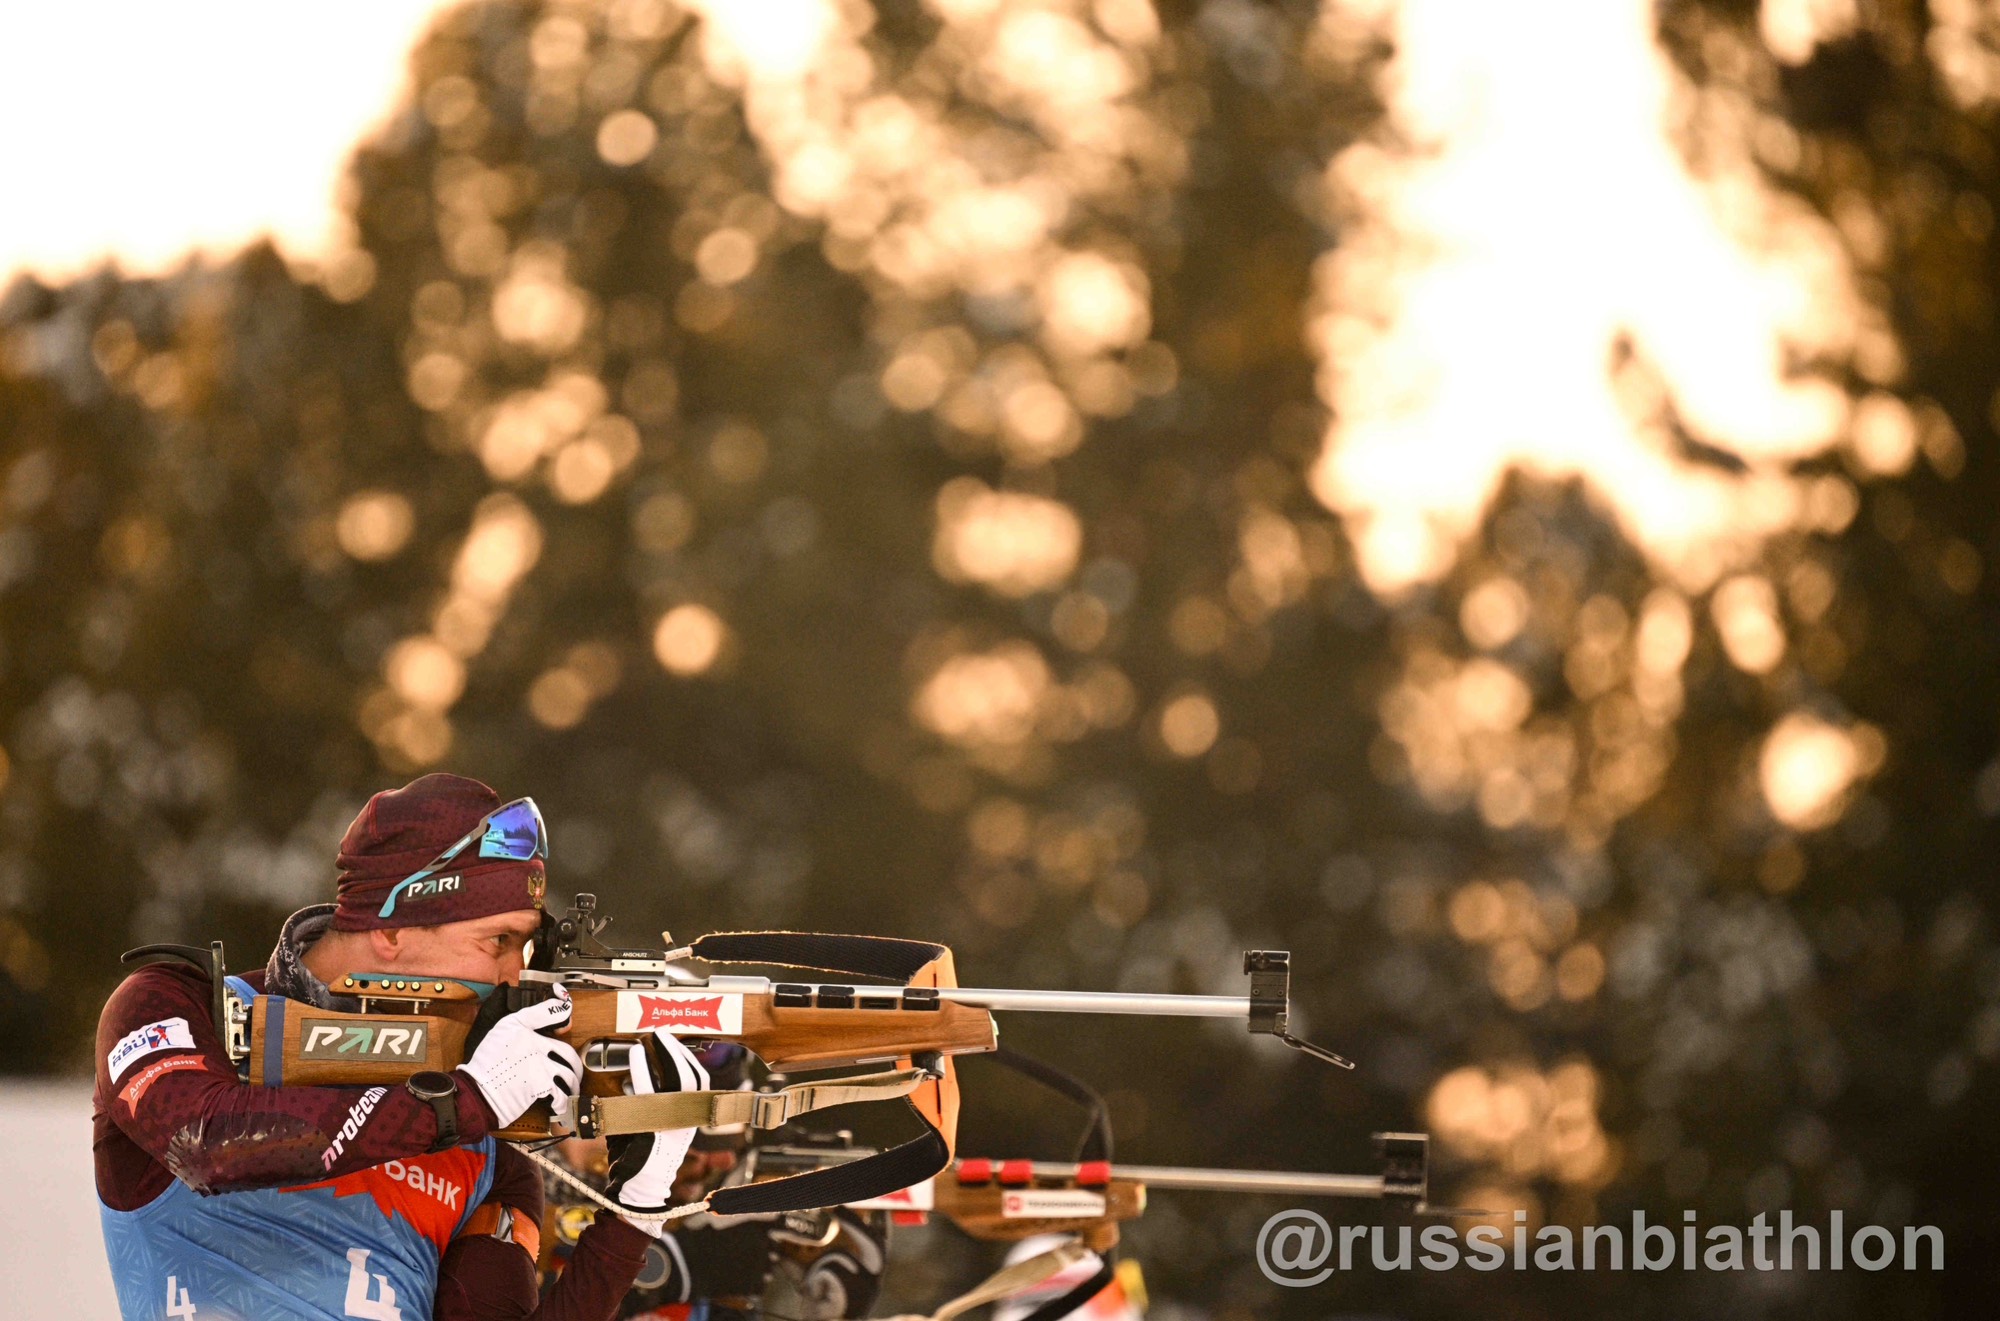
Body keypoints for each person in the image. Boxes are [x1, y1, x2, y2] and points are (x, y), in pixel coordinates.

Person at [93, 772, 705, 1320]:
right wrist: (460, 1102)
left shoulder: (491, 1144)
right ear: (389, 930)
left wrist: (635, 1210)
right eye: (497, 942)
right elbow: (205, 1147)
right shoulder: (177, 1007)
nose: (515, 976)